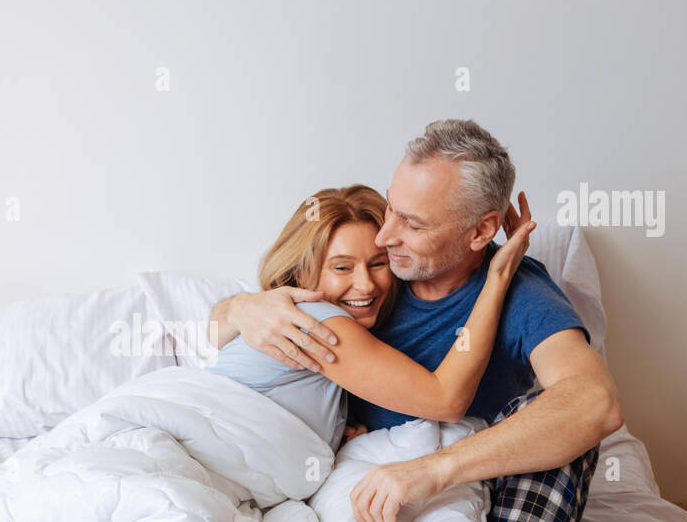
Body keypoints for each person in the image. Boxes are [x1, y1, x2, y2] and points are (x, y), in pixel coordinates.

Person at [208, 119, 624, 522]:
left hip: (455, 493)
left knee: (558, 422)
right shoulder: (372, 274)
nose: (386, 237)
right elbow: (236, 333)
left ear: (483, 230)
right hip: (340, 487)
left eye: (413, 224)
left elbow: (595, 403)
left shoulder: (520, 291)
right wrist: (237, 307)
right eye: (390, 208)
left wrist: (434, 471)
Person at [207, 184, 534, 450]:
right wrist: (498, 277)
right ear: (300, 270)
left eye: (378, 263)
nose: (365, 284)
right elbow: (446, 400)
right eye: (341, 267)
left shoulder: (284, 314)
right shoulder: (315, 319)